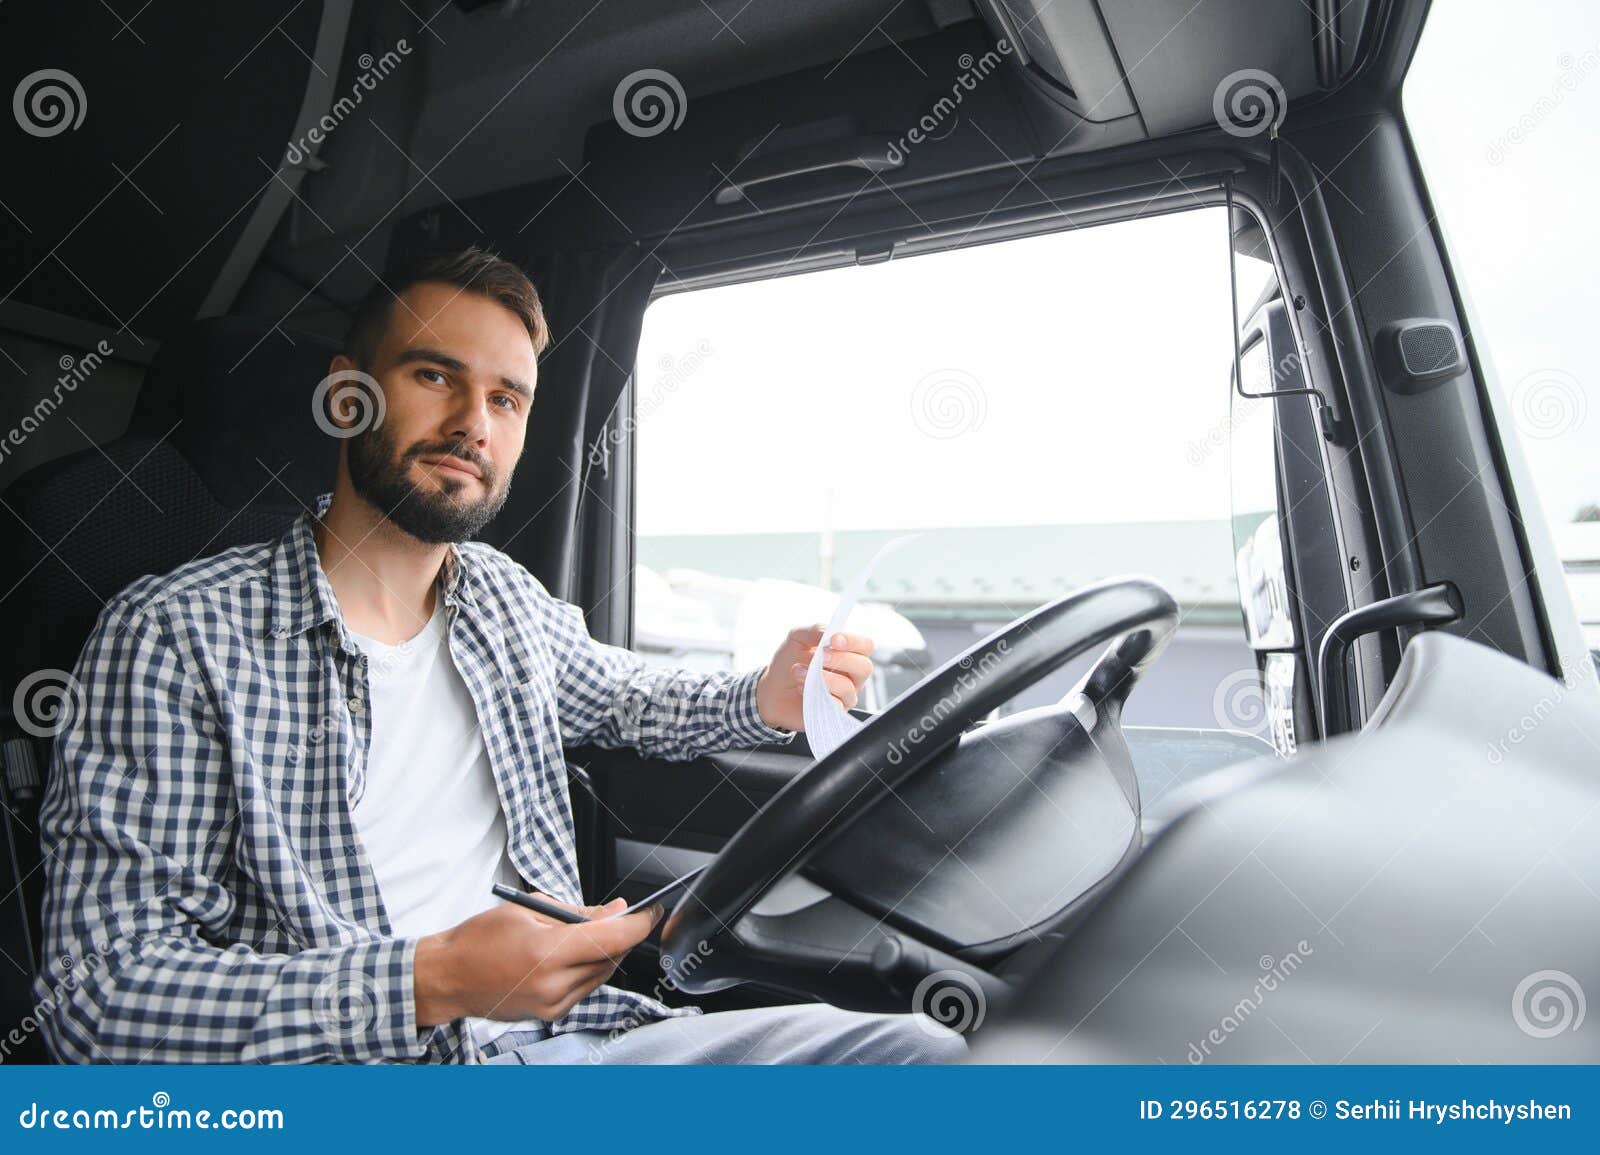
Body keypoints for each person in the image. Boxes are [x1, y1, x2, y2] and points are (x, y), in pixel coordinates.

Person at [33, 247, 964, 1066]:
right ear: (349, 389)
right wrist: (428, 981)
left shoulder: (503, 599)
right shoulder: (176, 634)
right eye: (437, 377)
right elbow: (98, 998)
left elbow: (630, 696)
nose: (475, 421)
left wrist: (764, 692)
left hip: (577, 1042)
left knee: (918, 1054)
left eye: (506, 397)